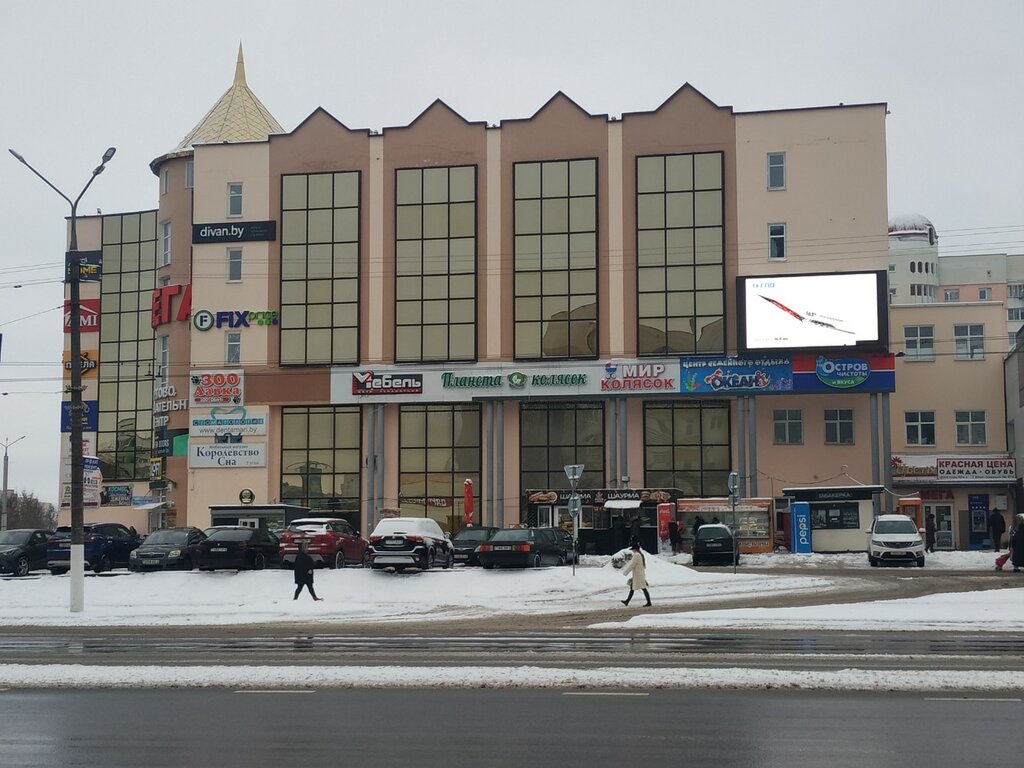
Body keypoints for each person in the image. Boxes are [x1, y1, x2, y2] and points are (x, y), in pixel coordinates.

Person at [620, 541, 651, 607]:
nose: (632, 551)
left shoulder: (636, 555)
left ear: (635, 549)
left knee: (643, 588)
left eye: (633, 549)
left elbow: (632, 565)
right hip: (639, 574)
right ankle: (627, 601)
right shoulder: (639, 554)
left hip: (638, 575)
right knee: (634, 587)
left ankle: (649, 602)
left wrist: (625, 572)